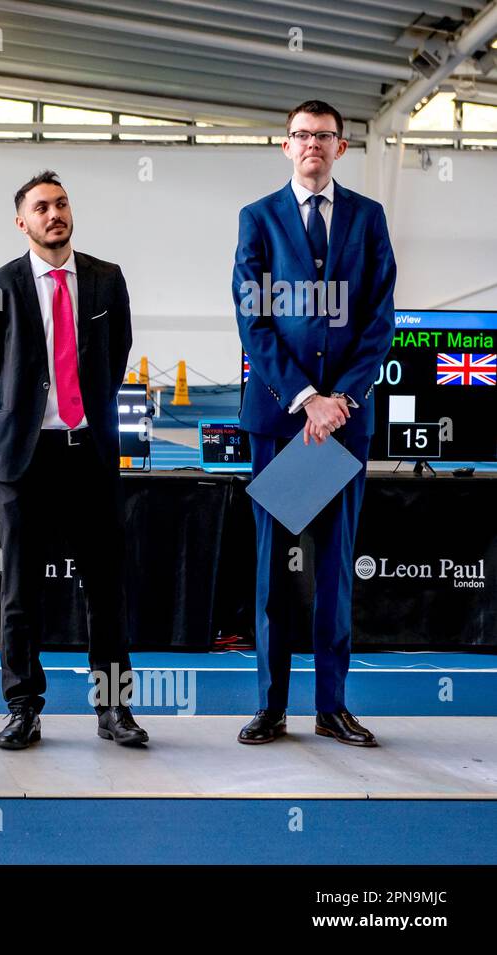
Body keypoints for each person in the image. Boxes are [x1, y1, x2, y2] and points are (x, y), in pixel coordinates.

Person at [232, 100, 396, 747]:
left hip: (345, 425)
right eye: (302, 135)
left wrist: (341, 400)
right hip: (281, 423)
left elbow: (380, 319)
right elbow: (255, 321)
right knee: (274, 574)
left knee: (334, 572)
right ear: (285, 144)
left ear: (342, 147)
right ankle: (270, 707)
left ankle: (332, 706)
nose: (312, 145)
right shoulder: (258, 221)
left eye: (324, 136)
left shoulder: (368, 219)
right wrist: (307, 398)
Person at [0, 170, 143, 750]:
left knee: (107, 589)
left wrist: (81, 412)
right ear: (22, 221)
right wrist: (20, 419)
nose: (53, 214)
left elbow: (116, 358)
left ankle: (114, 709)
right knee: (21, 591)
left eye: (61, 204)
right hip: (24, 461)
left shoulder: (105, 279)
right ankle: (22, 708)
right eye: (41, 207)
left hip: (90, 455)